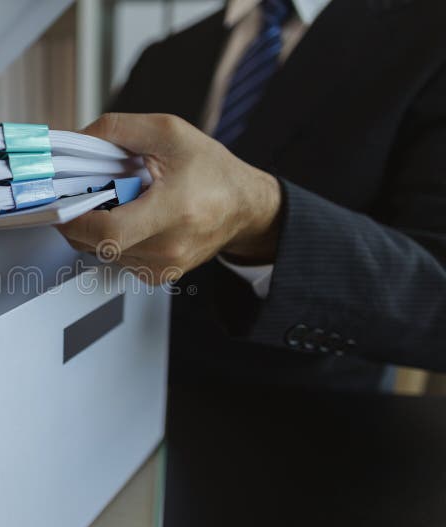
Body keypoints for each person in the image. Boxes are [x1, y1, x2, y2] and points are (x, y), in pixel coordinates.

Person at [57, 0, 446, 391]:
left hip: (309, 412)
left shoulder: (429, 33)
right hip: (122, 388)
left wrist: (264, 220)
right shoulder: (165, 56)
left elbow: (435, 291)